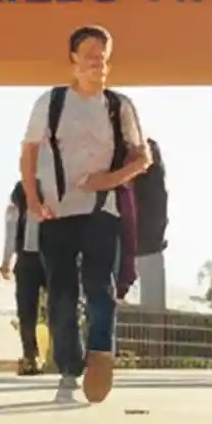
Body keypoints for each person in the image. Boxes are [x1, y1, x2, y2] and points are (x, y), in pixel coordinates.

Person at [20, 25, 152, 404]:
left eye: (103, 54)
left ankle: (100, 352)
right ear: (73, 59)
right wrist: (33, 199)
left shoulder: (119, 105)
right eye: (90, 54)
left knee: (100, 287)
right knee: (61, 295)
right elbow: (28, 152)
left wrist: (109, 180)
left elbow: (144, 158)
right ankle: (67, 370)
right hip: (55, 213)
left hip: (101, 211)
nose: (97, 60)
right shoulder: (52, 102)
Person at [2, 180, 45, 376]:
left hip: (32, 260)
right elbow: (11, 236)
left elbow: (10, 237)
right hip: (41, 258)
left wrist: (5, 262)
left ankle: (31, 356)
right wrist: (6, 262)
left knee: (27, 312)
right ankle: (33, 356)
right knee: (36, 310)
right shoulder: (47, 201)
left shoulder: (16, 209)